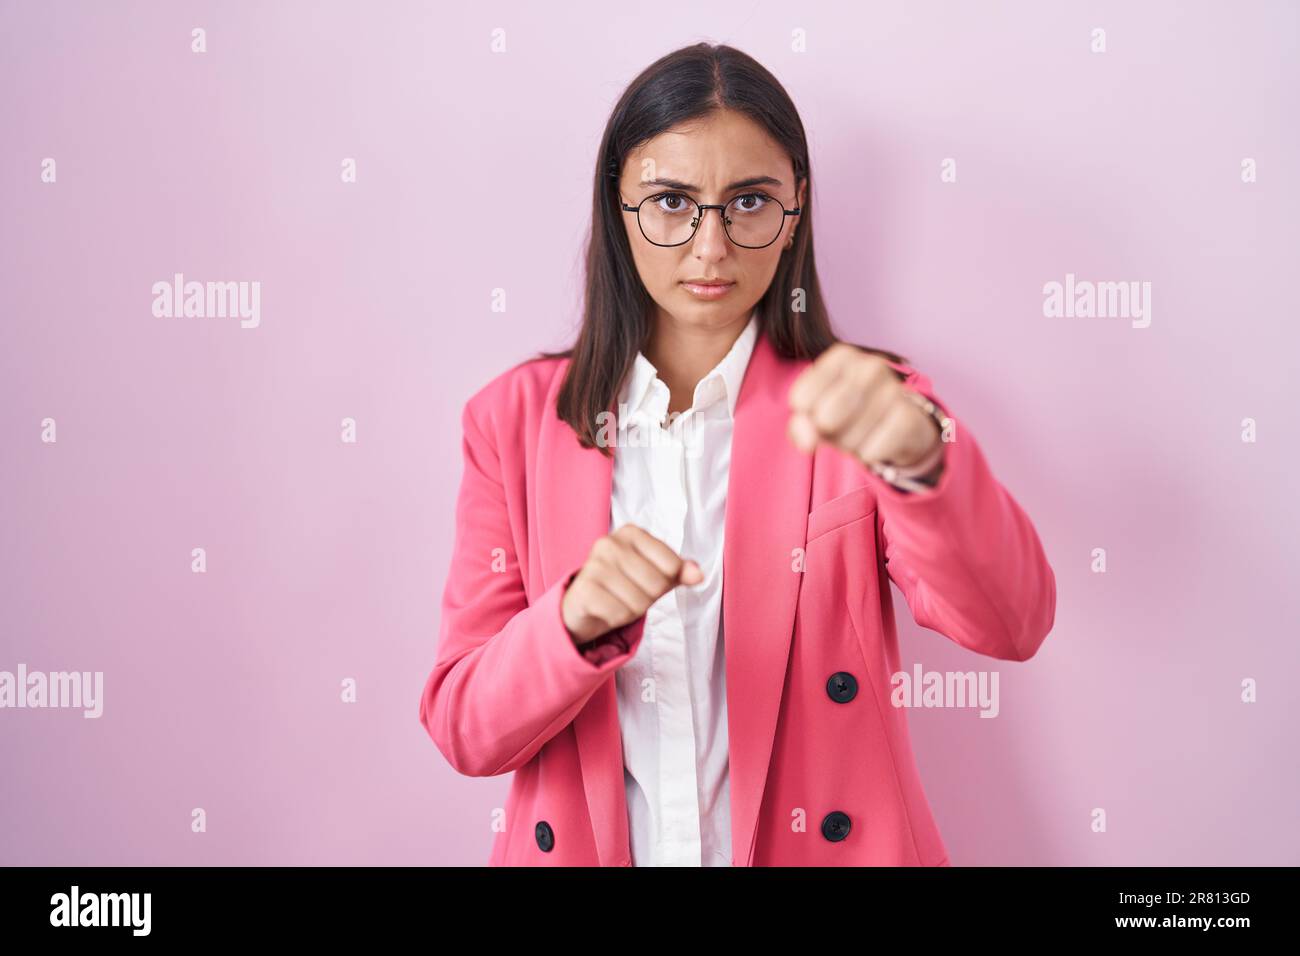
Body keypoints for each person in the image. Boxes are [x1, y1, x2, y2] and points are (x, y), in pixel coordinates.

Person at [418, 42, 1056, 867]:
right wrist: (572, 623)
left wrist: (923, 461)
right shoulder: (511, 421)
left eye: (748, 201)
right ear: (618, 205)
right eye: (671, 202)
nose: (710, 248)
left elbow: (1012, 623)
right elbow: (466, 730)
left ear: (795, 210)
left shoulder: (867, 404)